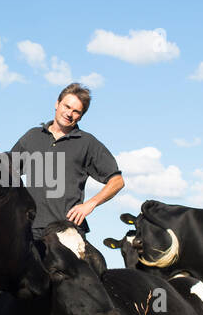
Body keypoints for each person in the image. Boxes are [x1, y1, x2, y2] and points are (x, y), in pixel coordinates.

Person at [11, 83, 124, 240]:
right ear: (57, 104)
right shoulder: (32, 136)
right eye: (67, 106)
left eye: (76, 111)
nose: (69, 113)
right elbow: (7, 170)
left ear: (81, 116)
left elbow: (117, 181)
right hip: (30, 229)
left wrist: (90, 204)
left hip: (68, 231)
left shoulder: (87, 143)